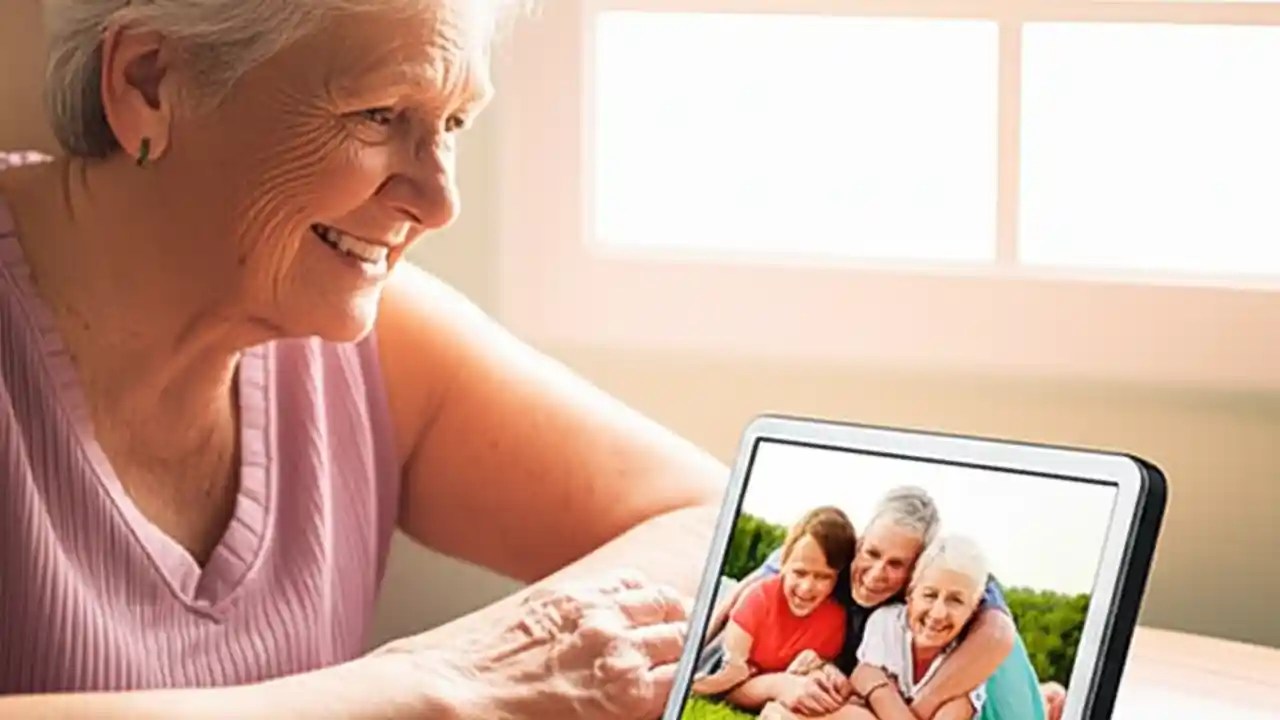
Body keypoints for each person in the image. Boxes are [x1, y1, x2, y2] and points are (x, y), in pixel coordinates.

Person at [0, 1, 726, 717]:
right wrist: (433, 686)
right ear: (149, 83)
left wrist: (492, 661)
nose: (440, 202)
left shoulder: (364, 337)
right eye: (379, 115)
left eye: (454, 123)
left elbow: (720, 527)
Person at [714, 487, 1050, 720]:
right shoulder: (829, 560)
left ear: (917, 569)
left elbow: (998, 633)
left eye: (896, 564)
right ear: (862, 538)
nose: (876, 574)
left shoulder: (950, 576)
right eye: (871, 553)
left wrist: (915, 708)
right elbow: (749, 587)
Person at [692, 507, 856, 697]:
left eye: (823, 577)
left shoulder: (834, 619)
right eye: (799, 573)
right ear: (783, 564)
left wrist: (819, 667)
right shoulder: (760, 594)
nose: (806, 587)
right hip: (720, 632)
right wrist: (706, 650)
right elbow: (720, 673)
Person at [831, 534, 996, 720]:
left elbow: (955, 711)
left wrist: (877, 688)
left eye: (955, 600)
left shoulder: (971, 655)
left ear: (973, 610)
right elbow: (864, 688)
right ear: (910, 595)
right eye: (930, 595)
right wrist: (877, 688)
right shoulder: (887, 623)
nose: (938, 613)